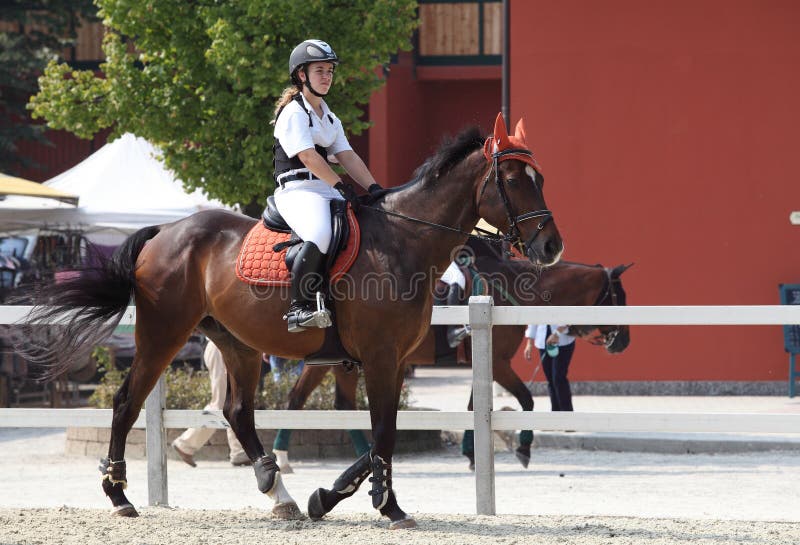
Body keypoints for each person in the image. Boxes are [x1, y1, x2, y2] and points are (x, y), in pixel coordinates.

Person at [271, 39, 385, 332]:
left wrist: (374, 189)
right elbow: (308, 157)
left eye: (330, 71)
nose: (326, 77)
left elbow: (348, 155)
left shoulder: (329, 116)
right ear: (301, 75)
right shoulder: (294, 113)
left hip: (324, 189)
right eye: (319, 70)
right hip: (297, 191)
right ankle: (299, 308)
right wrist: (340, 185)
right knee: (321, 233)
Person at [171, 341, 250, 466]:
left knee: (233, 401)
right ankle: (185, 444)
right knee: (219, 404)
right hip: (220, 347)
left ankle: (239, 451)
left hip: (228, 347)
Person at [523, 324, 576, 411]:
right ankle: (555, 414)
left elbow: (569, 316)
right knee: (551, 381)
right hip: (543, 342)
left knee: (558, 379)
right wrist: (529, 343)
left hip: (562, 341)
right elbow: (533, 317)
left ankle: (567, 414)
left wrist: (556, 334)